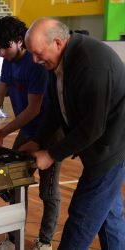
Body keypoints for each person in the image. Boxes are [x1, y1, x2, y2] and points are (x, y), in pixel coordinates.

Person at [0, 16, 61, 250]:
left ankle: (44, 243)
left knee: (48, 191)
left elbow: (34, 109)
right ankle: (13, 240)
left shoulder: (36, 64)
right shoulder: (8, 61)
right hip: (27, 131)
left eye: (4, 48)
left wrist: (2, 132)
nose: (1, 53)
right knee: (15, 186)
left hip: (49, 134)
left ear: (19, 41)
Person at [23, 17, 125, 249]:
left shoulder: (91, 64)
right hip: (99, 145)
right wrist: (37, 140)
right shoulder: (58, 61)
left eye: (38, 53)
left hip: (111, 148)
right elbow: (54, 107)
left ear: (58, 43)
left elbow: (93, 127)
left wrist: (50, 155)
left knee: (83, 216)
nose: (34, 59)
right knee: (109, 214)